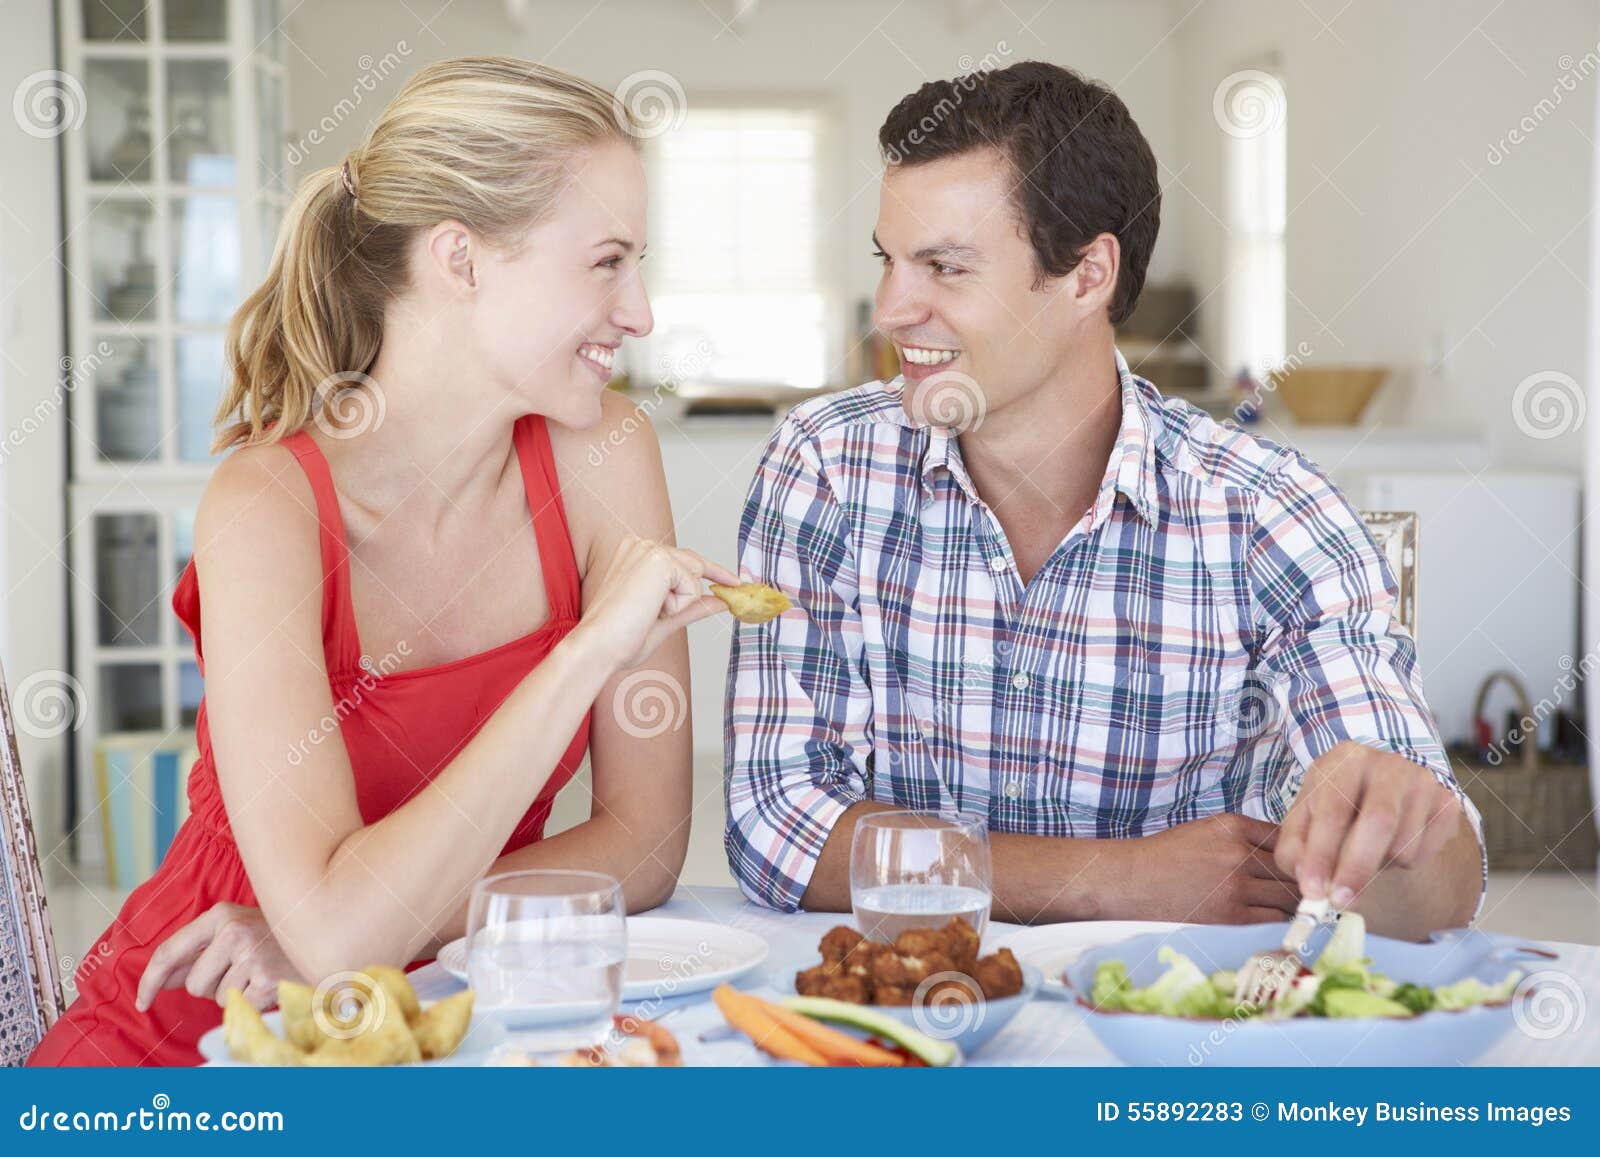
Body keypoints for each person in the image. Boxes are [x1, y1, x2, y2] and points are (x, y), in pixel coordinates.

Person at [32, 56, 735, 1067]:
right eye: (606, 262)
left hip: (442, 1018)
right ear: (461, 260)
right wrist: (586, 651)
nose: (641, 312)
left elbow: (647, 840)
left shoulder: (603, 450)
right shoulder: (267, 505)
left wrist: (364, 930)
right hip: (197, 1030)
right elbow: (339, 933)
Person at [724, 61, 1485, 939]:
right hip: (900, 1007)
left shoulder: (1272, 512)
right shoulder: (824, 463)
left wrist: (1394, 827)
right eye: (888, 261)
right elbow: (775, 823)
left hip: (1162, 1018)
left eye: (945, 267)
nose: (892, 309)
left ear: (1088, 274)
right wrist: (1113, 877)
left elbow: (1436, 895)